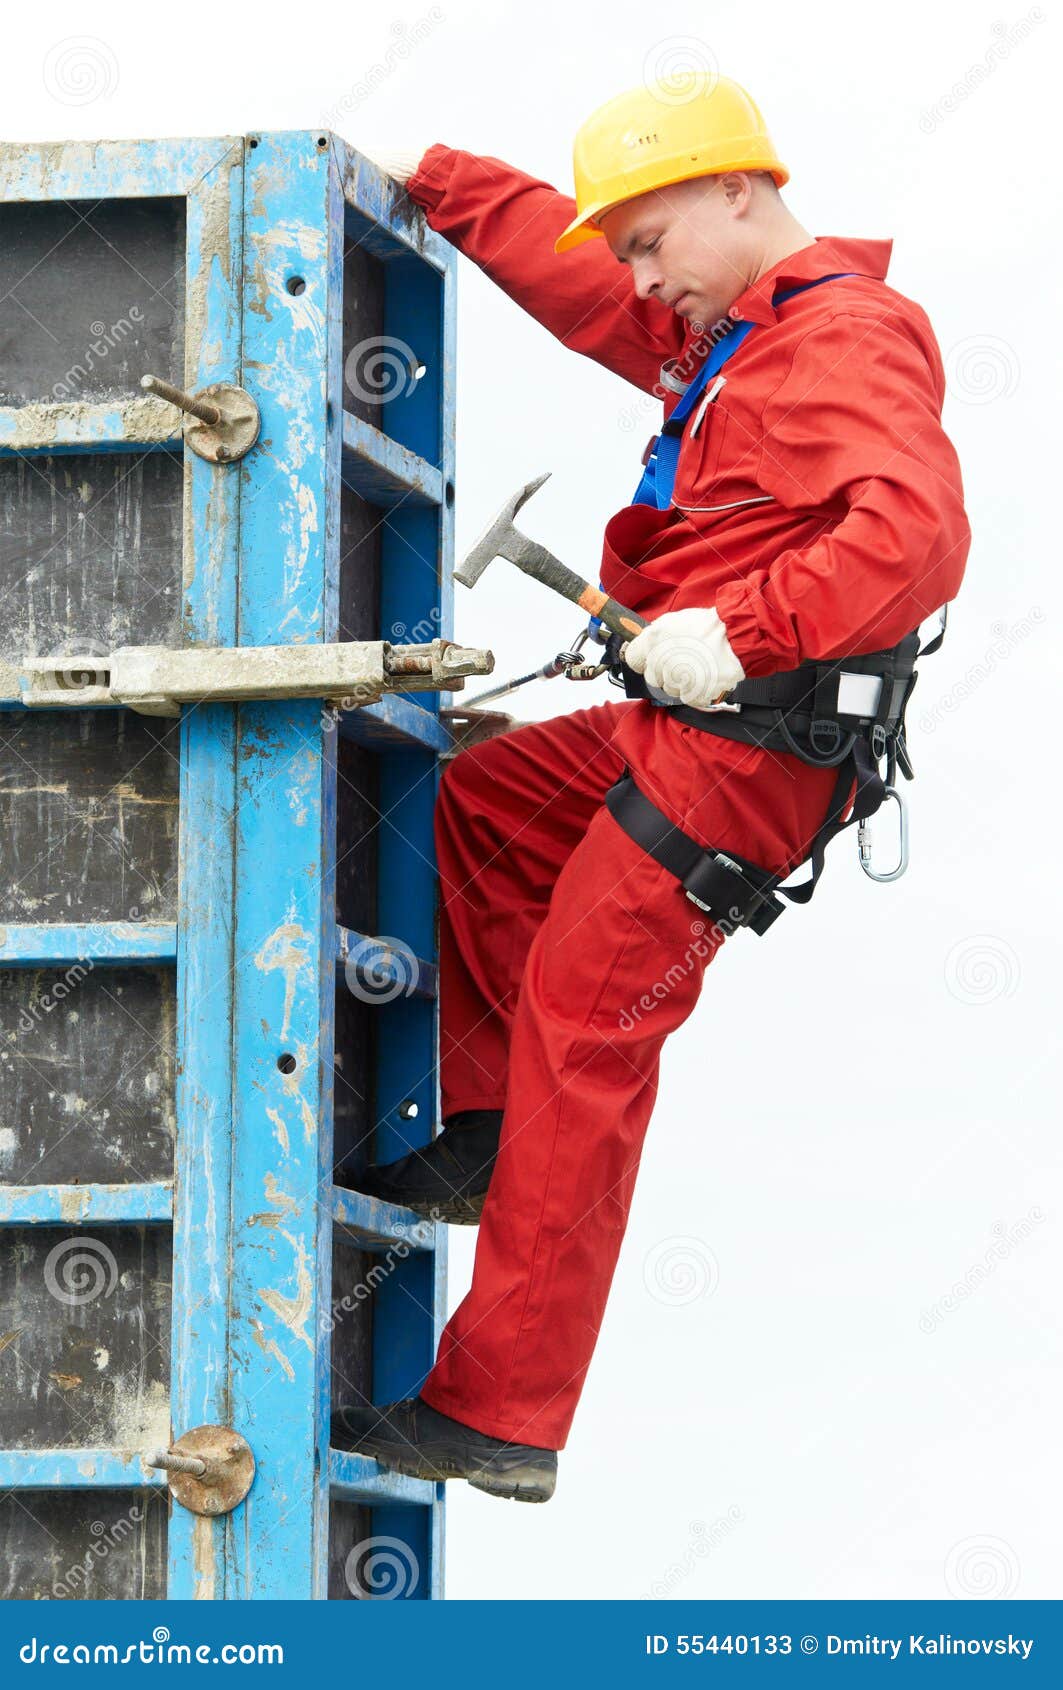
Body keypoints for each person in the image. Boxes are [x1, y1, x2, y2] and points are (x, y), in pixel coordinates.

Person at [332, 73, 971, 1503]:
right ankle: (485, 1127)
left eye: (651, 241)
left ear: (740, 189)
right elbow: (575, 286)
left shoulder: (843, 339)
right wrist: (437, 174)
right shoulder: (730, 337)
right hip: (680, 728)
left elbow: (920, 532)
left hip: (751, 750)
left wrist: (744, 630)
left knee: (589, 1034)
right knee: (481, 804)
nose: (637, 279)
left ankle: (501, 1414)